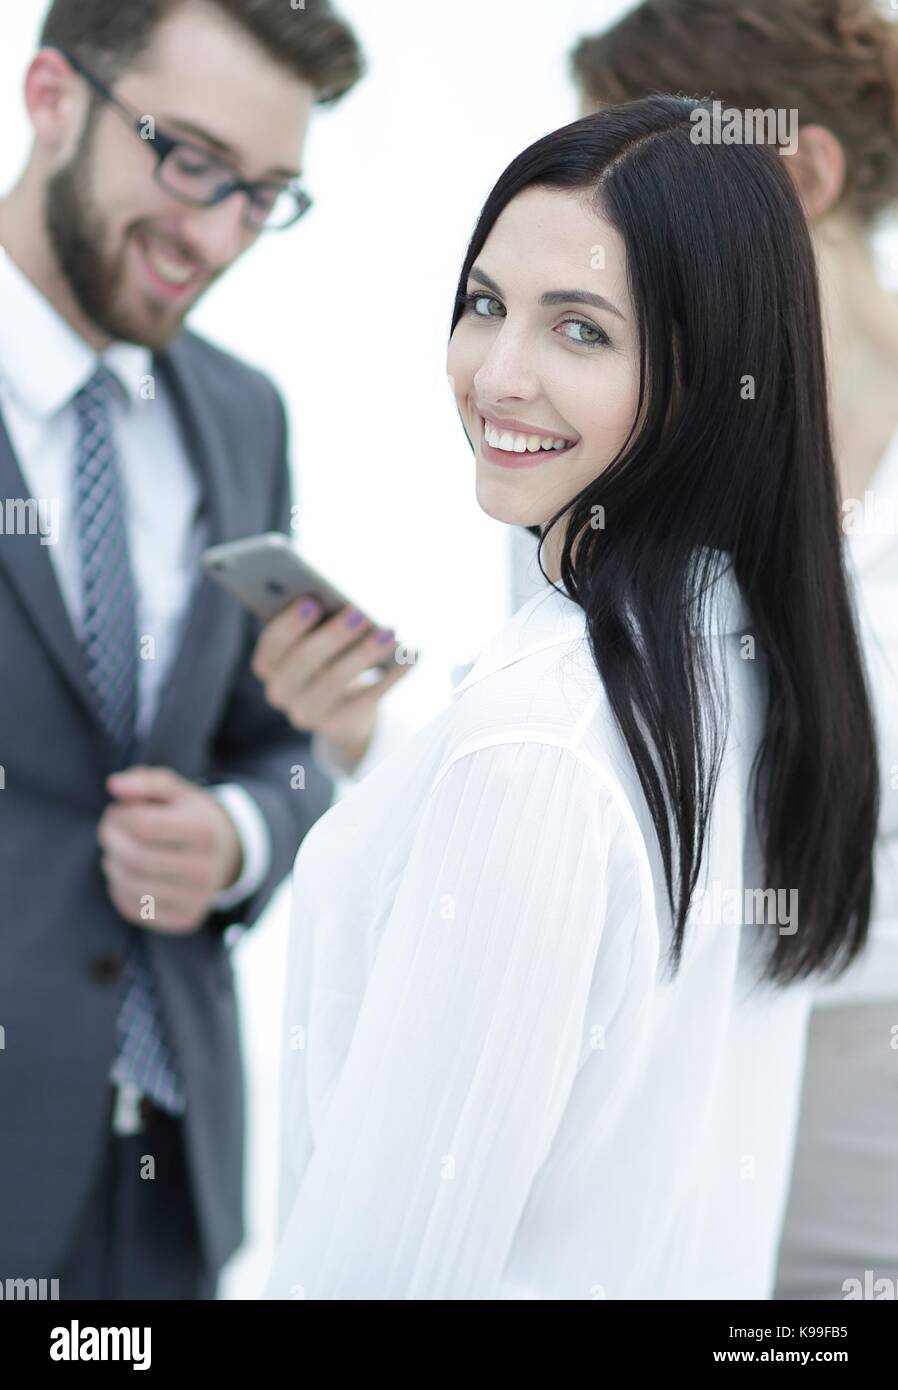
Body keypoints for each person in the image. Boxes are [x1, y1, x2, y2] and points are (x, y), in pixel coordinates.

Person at [261, 94, 879, 1300]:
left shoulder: (533, 749)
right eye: (485, 305)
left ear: (712, 377)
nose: (496, 374)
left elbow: (384, 1279)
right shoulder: (757, 665)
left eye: (579, 331)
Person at [0, 0, 408, 1301]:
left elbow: (279, 748)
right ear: (52, 95)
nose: (220, 233)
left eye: (266, 196)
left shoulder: (240, 413)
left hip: (165, 1182)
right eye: (189, 162)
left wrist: (238, 831)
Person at [572, 0, 898, 1301]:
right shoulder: (620, 454)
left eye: (640, 186)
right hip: (647, 1114)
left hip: (854, 1127)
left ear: (799, 176)